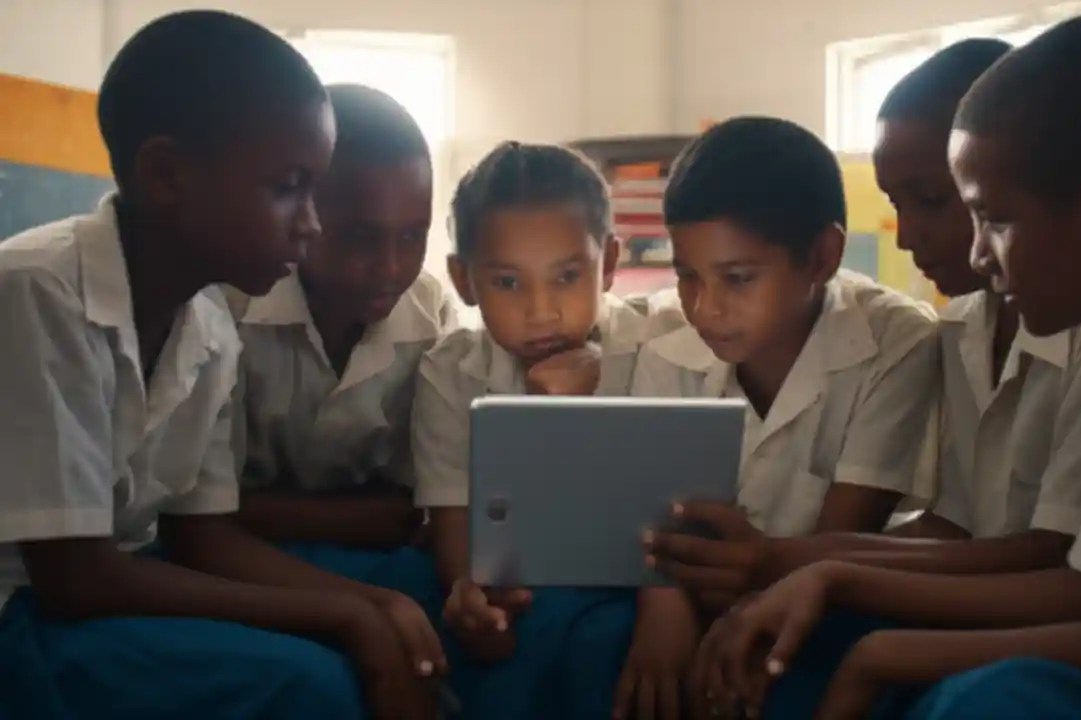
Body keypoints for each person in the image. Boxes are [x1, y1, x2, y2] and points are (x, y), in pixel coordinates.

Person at [699, 14, 1081, 720]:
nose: (978, 255)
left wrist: (879, 648)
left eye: (995, 221)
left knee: (989, 702)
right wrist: (830, 579)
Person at [647, 40, 1081, 718]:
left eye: (933, 201)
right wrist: (796, 568)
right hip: (962, 604)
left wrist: (811, 571)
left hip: (1042, 625)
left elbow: (1061, 560)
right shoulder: (963, 327)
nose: (904, 237)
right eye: (898, 204)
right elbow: (953, 527)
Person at [0, 12, 438, 720]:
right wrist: (345, 615)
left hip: (111, 590)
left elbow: (201, 534)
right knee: (311, 682)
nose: (311, 222)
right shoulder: (38, 290)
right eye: (289, 186)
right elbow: (73, 578)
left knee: (396, 620)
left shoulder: (207, 326)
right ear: (166, 175)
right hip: (21, 613)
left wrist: (376, 604)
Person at [619, 115, 941, 718]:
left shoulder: (897, 343)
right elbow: (658, 518)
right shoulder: (661, 340)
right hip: (693, 589)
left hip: (823, 598)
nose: (705, 308)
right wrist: (663, 610)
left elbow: (835, 542)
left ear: (822, 256)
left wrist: (739, 618)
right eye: (687, 276)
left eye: (738, 279)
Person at [411, 141, 673, 718]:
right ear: (462, 280)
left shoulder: (660, 349)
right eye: (508, 283)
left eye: (567, 276)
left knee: (607, 646)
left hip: (642, 589)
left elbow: (676, 518)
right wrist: (475, 603)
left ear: (609, 263)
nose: (542, 311)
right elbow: (460, 549)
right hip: (524, 593)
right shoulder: (450, 373)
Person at [230, 83, 453, 610]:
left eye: (413, 236)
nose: (391, 268)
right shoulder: (230, 309)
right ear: (301, 214)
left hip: (375, 561)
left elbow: (418, 508)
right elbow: (195, 517)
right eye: (359, 237)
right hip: (238, 563)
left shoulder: (431, 315)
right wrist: (354, 517)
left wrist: (268, 510)